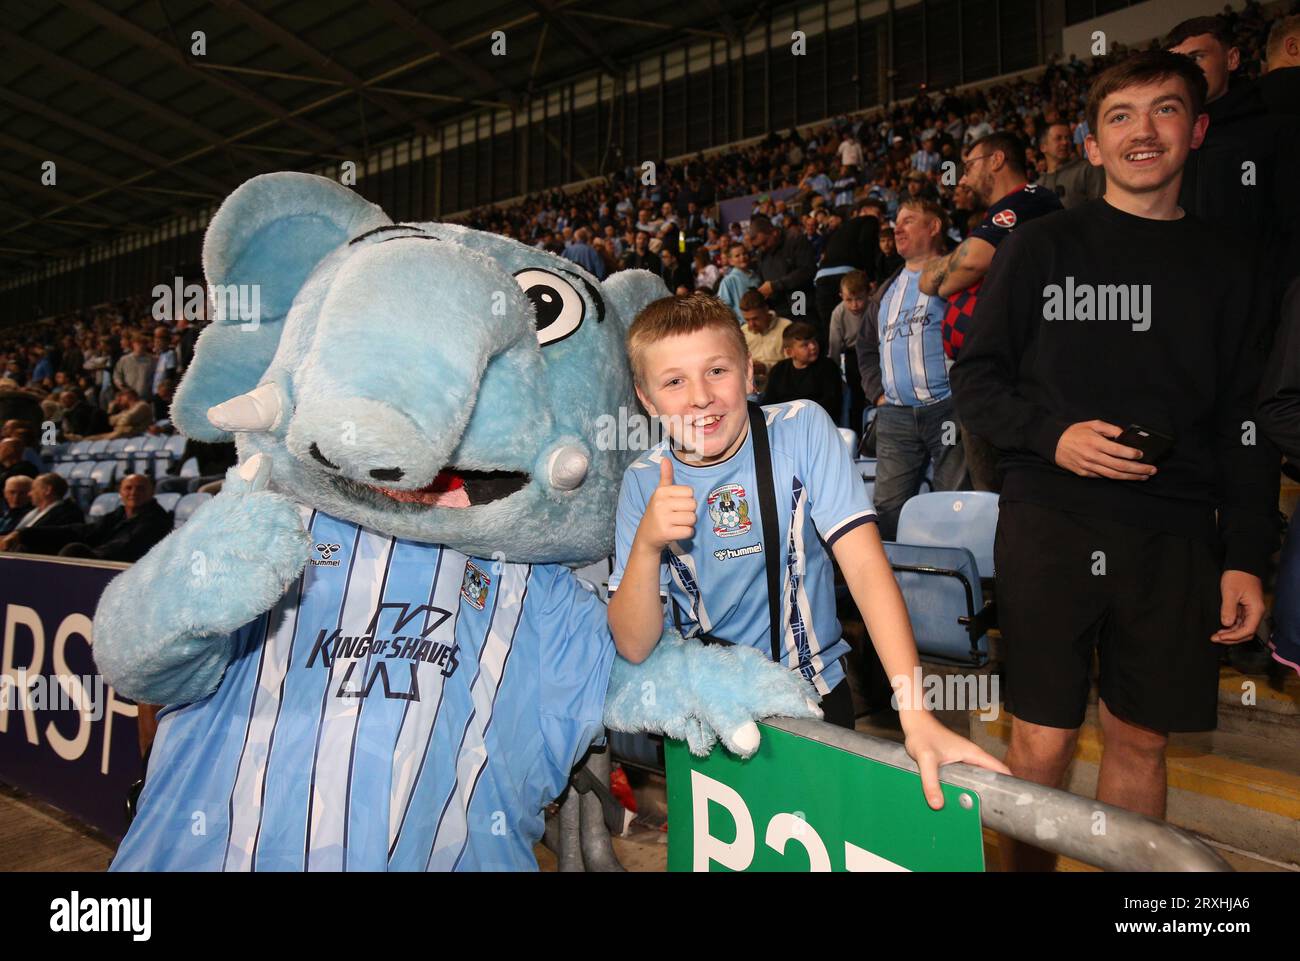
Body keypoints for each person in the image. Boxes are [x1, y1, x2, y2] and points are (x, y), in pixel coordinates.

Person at [949, 51, 1279, 869]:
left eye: (1164, 111)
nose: (1143, 131)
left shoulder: (1235, 265)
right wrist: (1053, 434)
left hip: (1174, 537)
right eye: (1120, 116)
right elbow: (976, 381)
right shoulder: (1038, 247)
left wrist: (1245, 557)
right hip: (1049, 520)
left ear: (1197, 130)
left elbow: (1247, 422)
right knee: (1041, 738)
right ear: (1091, 146)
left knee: (1140, 740)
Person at [607, 292, 1008, 805]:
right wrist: (645, 546)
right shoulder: (641, 482)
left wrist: (913, 711)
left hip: (812, 697)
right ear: (646, 398)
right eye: (674, 381)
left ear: (750, 372)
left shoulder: (800, 428)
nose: (700, 397)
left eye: (716, 371)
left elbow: (864, 566)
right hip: (703, 715)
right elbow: (635, 645)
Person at [919, 131, 1063, 490]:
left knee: (1012, 489)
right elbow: (931, 280)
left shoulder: (1029, 200)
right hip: (985, 373)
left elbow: (965, 268)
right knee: (989, 495)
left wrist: (948, 269)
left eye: (968, 166)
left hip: (1017, 371)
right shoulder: (995, 215)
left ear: (996, 160)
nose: (962, 177)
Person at [856, 199, 966, 540]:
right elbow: (865, 346)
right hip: (895, 417)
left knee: (954, 505)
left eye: (908, 221)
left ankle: (958, 586)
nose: (896, 228)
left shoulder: (958, 273)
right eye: (895, 222)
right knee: (888, 507)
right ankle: (895, 583)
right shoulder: (887, 290)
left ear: (933, 227)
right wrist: (877, 393)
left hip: (948, 410)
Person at [1, 472, 173, 561]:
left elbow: (123, 547)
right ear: (120, 492)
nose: (133, 493)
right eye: (128, 488)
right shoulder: (119, 514)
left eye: (141, 488)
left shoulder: (156, 520)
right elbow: (82, 531)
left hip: (125, 576)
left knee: (74, 550)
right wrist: (24, 534)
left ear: (152, 492)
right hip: (101, 568)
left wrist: (85, 556)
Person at [747, 214, 819, 343]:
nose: (762, 248)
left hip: (799, 298)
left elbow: (807, 271)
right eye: (758, 246)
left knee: (804, 338)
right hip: (778, 307)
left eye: (764, 242)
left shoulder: (796, 240)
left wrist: (775, 285)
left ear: (774, 232)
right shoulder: (762, 254)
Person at [761, 321, 843, 418]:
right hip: (784, 422)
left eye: (814, 341)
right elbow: (768, 403)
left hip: (816, 421)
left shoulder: (828, 367)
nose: (813, 347)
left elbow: (831, 403)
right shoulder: (778, 370)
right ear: (789, 352)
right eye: (805, 345)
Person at [829, 269, 870, 434]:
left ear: (869, 292)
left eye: (859, 299)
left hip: (877, 351)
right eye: (849, 300)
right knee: (857, 398)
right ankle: (859, 435)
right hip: (853, 355)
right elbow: (834, 347)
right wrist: (835, 375)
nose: (854, 305)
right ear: (841, 296)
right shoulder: (838, 313)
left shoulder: (876, 306)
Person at [1037, 121, 1106, 209]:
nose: (1065, 142)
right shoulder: (1038, 186)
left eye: (1068, 138)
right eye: (1058, 138)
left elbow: (1101, 208)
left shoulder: (1088, 169)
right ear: (1043, 147)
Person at [738, 290, 791, 393]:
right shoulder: (742, 332)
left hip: (782, 387)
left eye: (755, 318)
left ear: (766, 310)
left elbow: (794, 366)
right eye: (747, 320)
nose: (751, 324)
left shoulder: (786, 327)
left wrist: (766, 368)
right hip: (751, 390)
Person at [12, 472, 82, 531]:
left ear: (47, 490)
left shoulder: (66, 514)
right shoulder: (33, 512)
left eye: (33, 489)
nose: (29, 494)